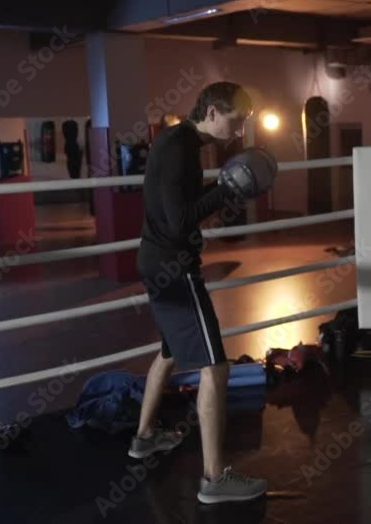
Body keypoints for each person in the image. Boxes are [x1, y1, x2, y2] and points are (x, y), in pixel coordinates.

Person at [131, 81, 277, 504]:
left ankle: (143, 437)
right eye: (235, 119)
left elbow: (179, 209)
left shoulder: (180, 143)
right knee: (215, 368)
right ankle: (214, 479)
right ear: (212, 111)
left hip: (158, 262)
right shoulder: (178, 147)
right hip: (173, 269)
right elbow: (180, 222)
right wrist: (228, 188)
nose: (238, 129)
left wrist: (219, 188)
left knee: (170, 351)